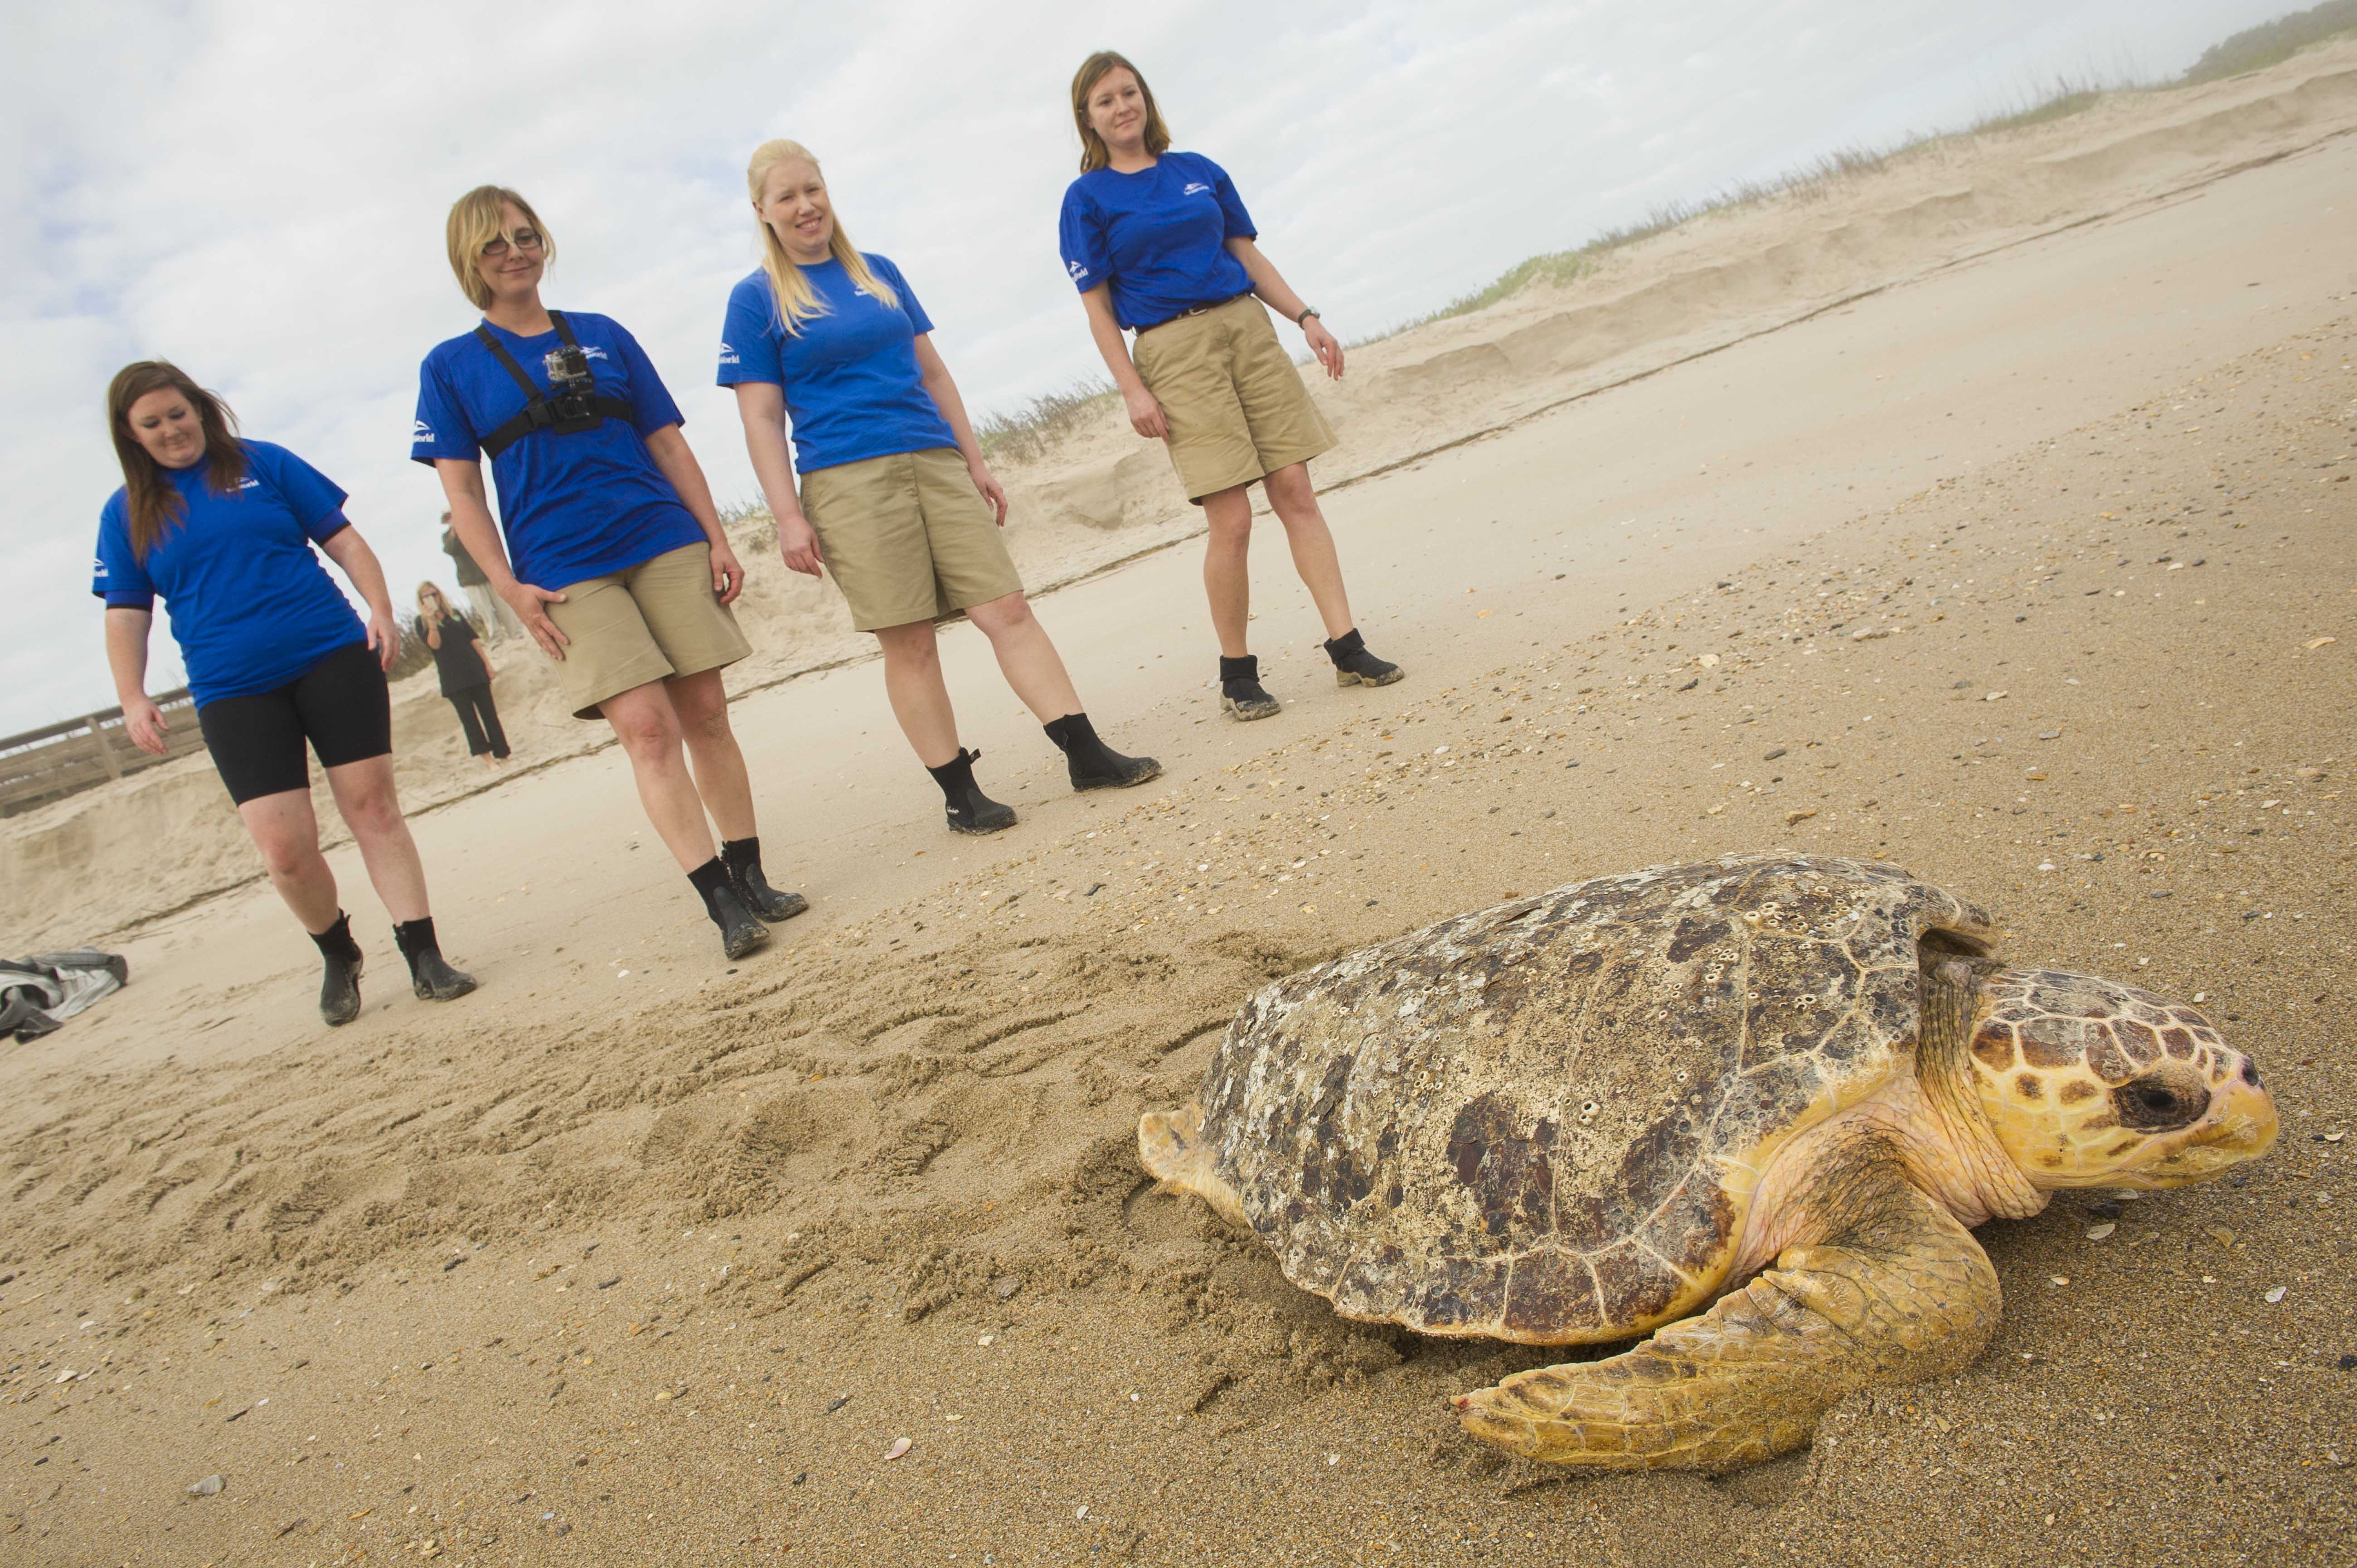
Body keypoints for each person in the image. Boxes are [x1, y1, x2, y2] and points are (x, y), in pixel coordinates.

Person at [722, 139, 1159, 835]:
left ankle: (1085, 752)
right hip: (847, 479)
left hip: (933, 458)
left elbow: (933, 373)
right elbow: (761, 415)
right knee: (911, 641)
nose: (806, 206)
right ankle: (961, 793)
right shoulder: (756, 300)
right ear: (762, 211)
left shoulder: (878, 271)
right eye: (787, 197)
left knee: (1006, 608)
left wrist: (975, 461)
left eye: (814, 189)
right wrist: (786, 516)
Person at [413, 184, 805, 960]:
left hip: (662, 537)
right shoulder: (452, 366)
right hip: (564, 569)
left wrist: (717, 539)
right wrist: (507, 587)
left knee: (706, 715)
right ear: (471, 261)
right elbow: (461, 493)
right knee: (648, 732)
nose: (516, 252)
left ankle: (751, 870)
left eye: (526, 236)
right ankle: (721, 903)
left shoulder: (602, 334)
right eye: (495, 245)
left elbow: (668, 444)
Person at [94, 362, 476, 1026]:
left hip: (331, 656)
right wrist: (132, 694)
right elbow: (127, 612)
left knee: (373, 811)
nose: (170, 430)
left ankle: (424, 955)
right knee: (285, 852)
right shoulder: (127, 512)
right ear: (132, 436)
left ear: (200, 409)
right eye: (151, 424)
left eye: (177, 413)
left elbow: (345, 541)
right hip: (231, 689)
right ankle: (338, 952)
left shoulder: (264, 464)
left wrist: (380, 609)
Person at [1059, 50, 1404, 722]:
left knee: (1296, 489)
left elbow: (1245, 253)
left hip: (1247, 328)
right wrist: (1132, 388)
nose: (1122, 106)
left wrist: (1306, 317)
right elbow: (1097, 308)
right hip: (1172, 349)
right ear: (1088, 118)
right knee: (1234, 517)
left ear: (1146, 100)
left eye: (1130, 93)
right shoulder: (1087, 199)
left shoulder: (1198, 171)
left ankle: (1347, 646)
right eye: (1106, 100)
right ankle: (1237, 675)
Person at [414, 581, 509, 767]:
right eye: (426, 597)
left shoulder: (455, 614)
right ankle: (488, 760)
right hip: (453, 679)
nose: (432, 599)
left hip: (474, 670)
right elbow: (434, 645)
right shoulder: (421, 622)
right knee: (470, 720)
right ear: (421, 601)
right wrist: (432, 622)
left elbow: (473, 640)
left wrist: (487, 665)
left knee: (490, 714)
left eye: (434, 594)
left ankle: (503, 753)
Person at [441, 513, 524, 643]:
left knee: (504, 606)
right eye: (447, 518)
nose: (451, 519)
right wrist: (454, 532)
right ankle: (497, 639)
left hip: (488, 574)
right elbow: (450, 550)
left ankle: (517, 634)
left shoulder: (472, 528)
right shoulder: (447, 537)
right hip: (470, 581)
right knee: (486, 611)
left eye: (452, 516)